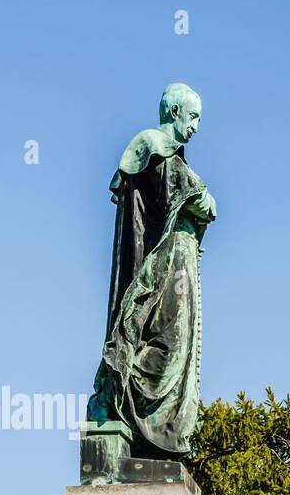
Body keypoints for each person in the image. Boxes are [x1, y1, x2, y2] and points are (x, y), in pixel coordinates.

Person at [87, 83, 216, 456]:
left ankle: (154, 428)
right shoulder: (153, 147)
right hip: (164, 266)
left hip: (180, 264)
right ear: (174, 112)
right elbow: (192, 196)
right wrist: (204, 199)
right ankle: (126, 400)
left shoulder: (172, 157)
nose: (196, 127)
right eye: (193, 118)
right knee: (167, 343)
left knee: (181, 344)